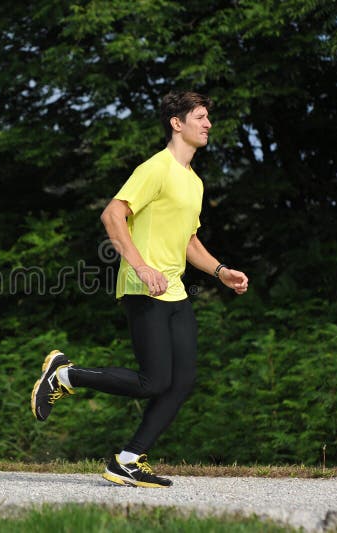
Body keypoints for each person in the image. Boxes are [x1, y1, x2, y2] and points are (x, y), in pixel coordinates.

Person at [31, 91, 249, 488]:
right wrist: (142, 266)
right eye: (200, 117)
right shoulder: (157, 168)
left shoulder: (194, 182)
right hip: (141, 287)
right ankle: (66, 375)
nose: (208, 124)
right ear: (176, 123)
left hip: (175, 290)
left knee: (180, 382)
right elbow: (112, 214)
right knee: (153, 382)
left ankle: (127, 460)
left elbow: (188, 241)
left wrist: (220, 271)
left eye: (207, 117)